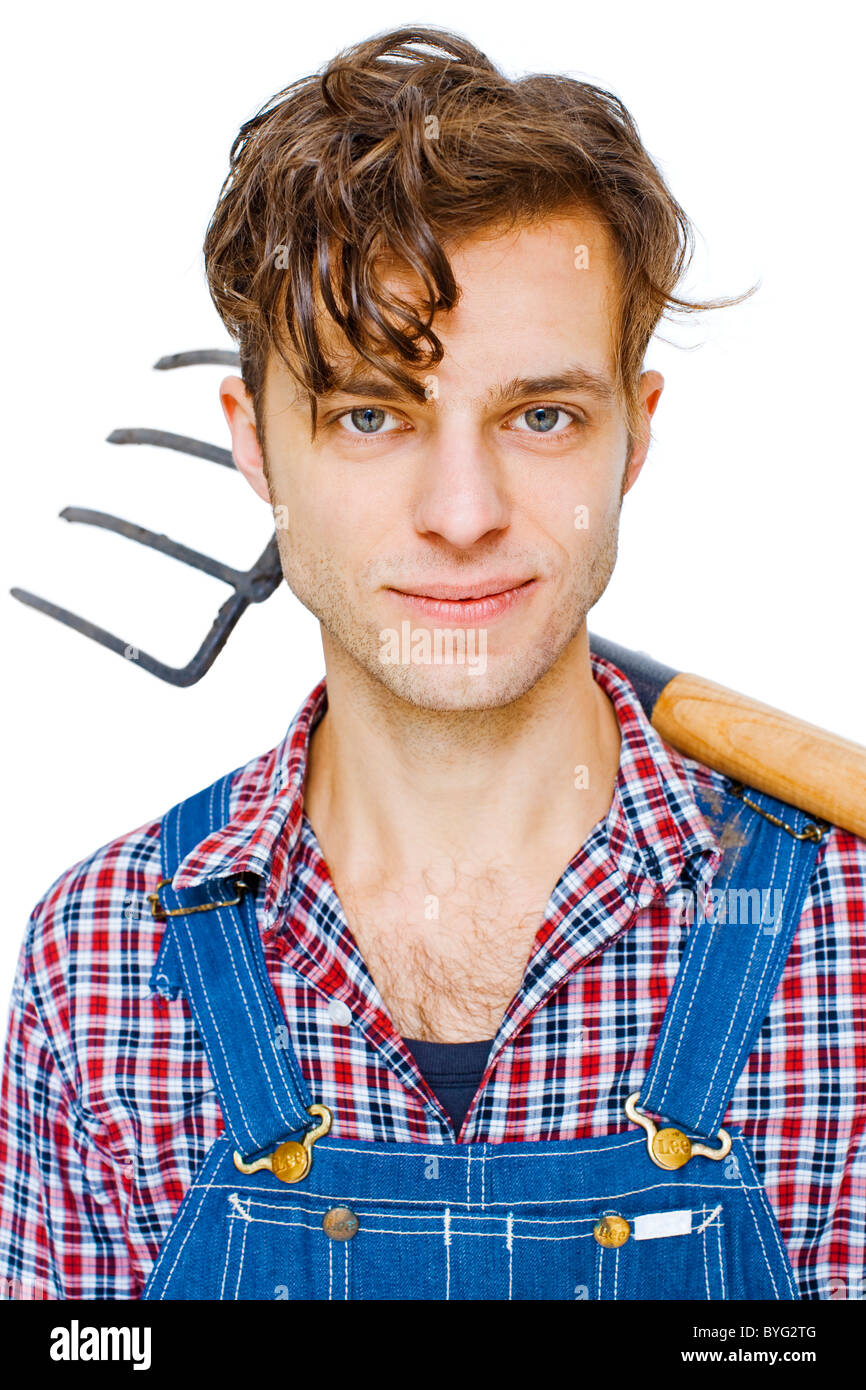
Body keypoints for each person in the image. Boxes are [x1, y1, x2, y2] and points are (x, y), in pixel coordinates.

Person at [0, 25, 862, 1302]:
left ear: (632, 436)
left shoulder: (845, 950)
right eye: (369, 414)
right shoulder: (104, 969)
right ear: (254, 445)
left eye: (541, 415)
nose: (462, 512)